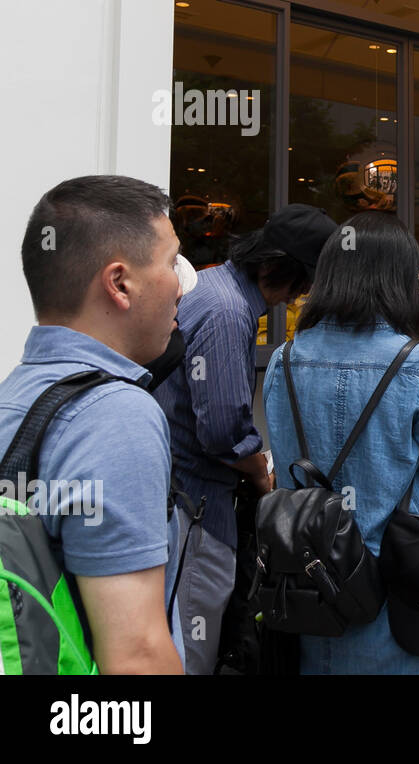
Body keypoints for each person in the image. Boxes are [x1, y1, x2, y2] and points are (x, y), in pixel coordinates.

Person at [262, 211, 419, 673]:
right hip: (401, 581)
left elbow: (286, 477)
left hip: (313, 585)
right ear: (398, 281)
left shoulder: (282, 360)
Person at [0, 176, 187, 673]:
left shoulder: (14, 396)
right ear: (120, 283)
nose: (181, 285)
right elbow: (137, 653)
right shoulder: (114, 415)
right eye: (172, 263)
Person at [153, 203, 336, 674]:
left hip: (181, 493)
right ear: (286, 271)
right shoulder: (229, 312)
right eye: (308, 280)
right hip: (194, 502)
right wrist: (262, 475)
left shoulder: (218, 288)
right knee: (192, 636)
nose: (305, 294)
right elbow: (222, 431)